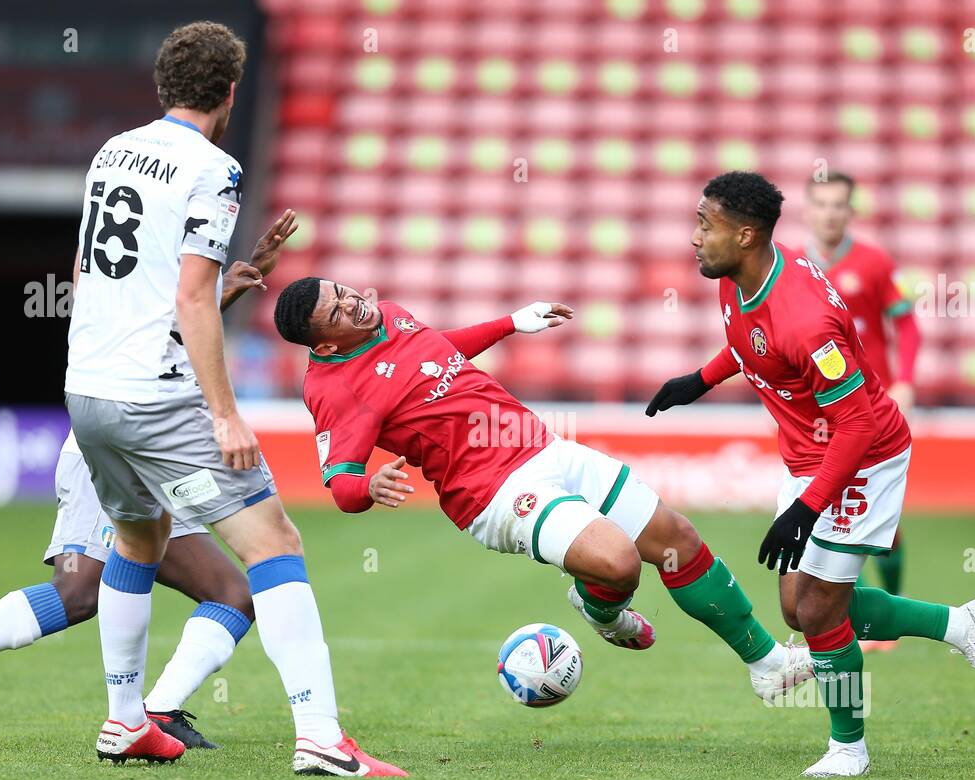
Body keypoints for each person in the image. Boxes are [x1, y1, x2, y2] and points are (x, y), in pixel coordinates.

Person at [63, 21, 401, 775]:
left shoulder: (111, 152)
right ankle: (320, 736)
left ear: (164, 86)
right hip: (158, 400)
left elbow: (93, 280)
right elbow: (188, 297)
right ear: (231, 93)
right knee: (274, 542)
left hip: (89, 388)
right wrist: (222, 411)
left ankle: (125, 723)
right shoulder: (215, 168)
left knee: (137, 541)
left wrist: (232, 278)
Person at [271, 280, 813, 702]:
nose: (354, 305)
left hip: (544, 446)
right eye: (338, 312)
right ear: (322, 341)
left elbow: (435, 349)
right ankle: (603, 612)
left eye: (344, 292)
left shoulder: (386, 314)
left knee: (679, 539)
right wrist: (369, 484)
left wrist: (511, 323)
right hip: (493, 491)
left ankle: (767, 668)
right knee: (619, 563)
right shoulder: (333, 390)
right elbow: (340, 486)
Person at [0, 212, 297, 752]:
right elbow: (146, 348)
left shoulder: (150, 267)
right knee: (78, 593)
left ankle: (158, 713)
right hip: (115, 452)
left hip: (162, 454)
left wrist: (225, 290)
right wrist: (217, 294)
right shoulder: (118, 271)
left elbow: (167, 338)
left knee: (232, 594)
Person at [645, 171, 975, 777]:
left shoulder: (806, 320)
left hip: (861, 456)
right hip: (810, 453)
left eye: (704, 225)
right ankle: (961, 623)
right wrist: (698, 381)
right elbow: (748, 344)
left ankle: (849, 749)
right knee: (798, 607)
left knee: (817, 612)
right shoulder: (741, 276)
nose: (694, 237)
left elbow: (859, 425)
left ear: (745, 233)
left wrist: (806, 507)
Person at [801, 171, 919, 616]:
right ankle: (832, 611)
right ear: (808, 210)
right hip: (816, 413)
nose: (830, 214)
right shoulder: (792, 266)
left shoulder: (875, 263)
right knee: (823, 506)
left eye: (838, 205)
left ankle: (891, 602)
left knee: (879, 514)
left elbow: (906, 323)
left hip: (870, 408)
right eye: (822, 204)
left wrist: (904, 379)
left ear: (850, 212)